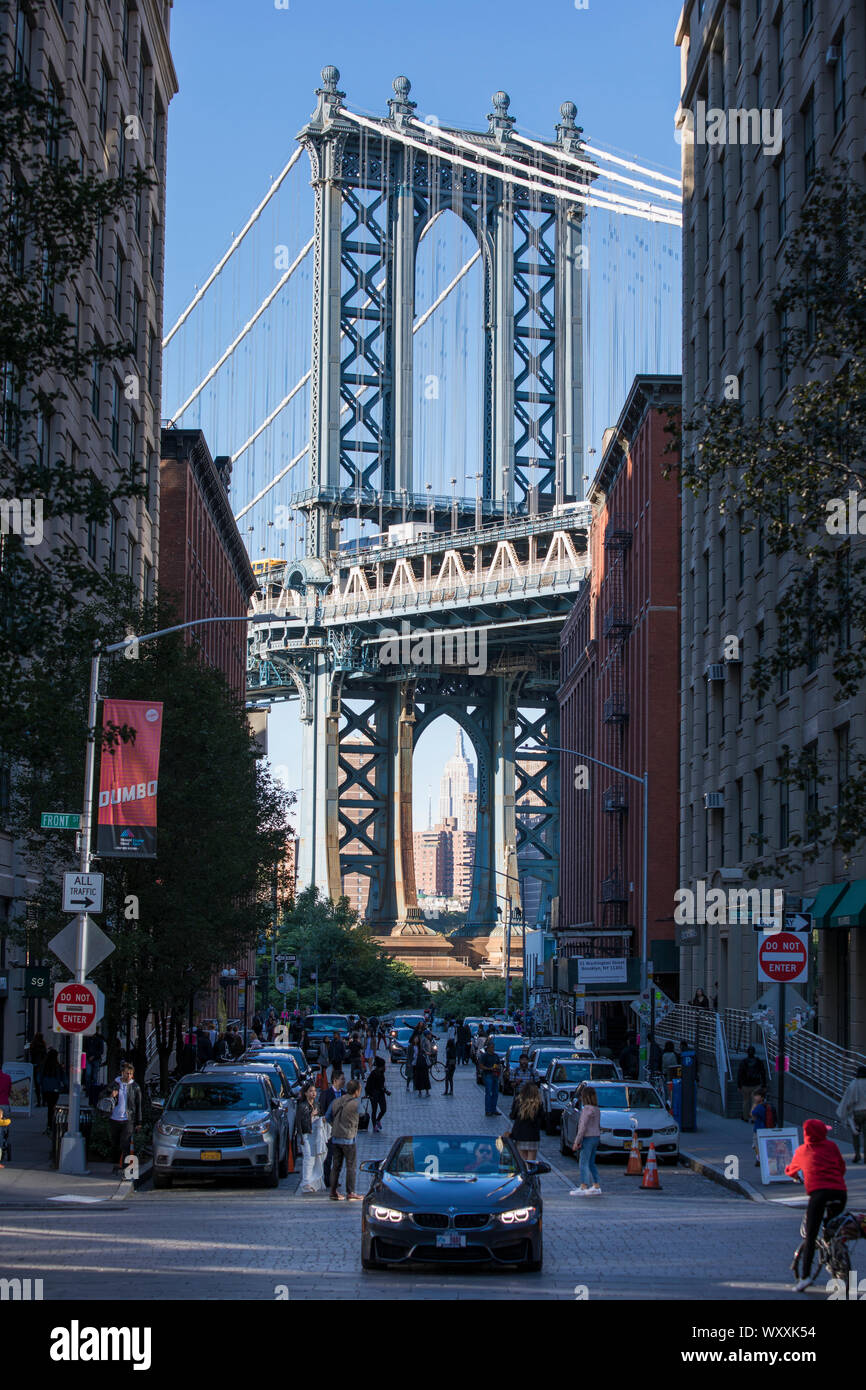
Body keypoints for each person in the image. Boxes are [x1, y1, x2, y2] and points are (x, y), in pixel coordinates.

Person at [786, 1119, 848, 1291]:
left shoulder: (802, 1151)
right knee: (831, 1225)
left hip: (819, 1194)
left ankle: (805, 1278)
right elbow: (841, 1168)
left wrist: (795, 1175)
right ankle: (837, 1250)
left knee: (811, 1236)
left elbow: (791, 1170)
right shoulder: (832, 1146)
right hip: (839, 1193)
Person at [326, 1078, 363, 1202]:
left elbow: (327, 1116)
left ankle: (333, 1191)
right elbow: (363, 1115)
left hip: (336, 1137)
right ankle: (350, 1192)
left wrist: (335, 1125)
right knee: (351, 1165)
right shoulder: (356, 1103)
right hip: (348, 1138)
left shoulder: (336, 1101)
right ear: (356, 1091)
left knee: (336, 1166)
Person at [103, 1062, 142, 1174]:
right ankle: (116, 1163)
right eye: (126, 1073)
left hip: (128, 1119)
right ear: (122, 1073)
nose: (128, 1076)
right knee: (115, 1142)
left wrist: (139, 1122)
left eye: (130, 1074)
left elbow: (138, 1105)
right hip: (114, 1118)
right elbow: (103, 1095)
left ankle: (125, 1167)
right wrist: (111, 1094)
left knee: (125, 1143)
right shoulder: (115, 1084)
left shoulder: (135, 1087)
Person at [570, 1084, 602, 1196]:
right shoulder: (597, 1109)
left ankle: (583, 1185)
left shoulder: (586, 1109)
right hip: (596, 1136)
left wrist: (576, 1141)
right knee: (591, 1162)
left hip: (587, 1137)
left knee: (583, 1162)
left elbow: (582, 1127)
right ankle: (596, 1185)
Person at [296, 1083, 324, 1192]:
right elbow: (299, 1122)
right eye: (311, 1091)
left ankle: (313, 1180)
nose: (313, 1093)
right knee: (308, 1158)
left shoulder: (316, 1105)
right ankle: (306, 1182)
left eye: (315, 1091)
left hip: (316, 1134)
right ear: (306, 1093)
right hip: (306, 1134)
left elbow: (321, 1117)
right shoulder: (302, 1106)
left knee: (314, 1158)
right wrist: (311, 1115)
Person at [506, 1082, 544, 1163]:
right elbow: (542, 1119)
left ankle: (524, 1174)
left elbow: (512, 1116)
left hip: (519, 1135)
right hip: (533, 1135)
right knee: (531, 1161)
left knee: (522, 1161)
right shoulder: (538, 1104)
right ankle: (530, 1173)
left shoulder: (518, 1102)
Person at [319, 1069, 345, 1185]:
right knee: (328, 1156)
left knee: (338, 1157)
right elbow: (322, 1111)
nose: (344, 1081)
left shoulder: (345, 1095)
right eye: (342, 1079)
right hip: (329, 1130)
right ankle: (327, 1179)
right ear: (335, 1080)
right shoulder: (326, 1094)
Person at [836, 1066, 866, 1163]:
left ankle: (857, 1154)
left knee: (855, 1134)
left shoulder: (854, 1084)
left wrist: (847, 1111)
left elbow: (848, 1100)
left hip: (857, 1113)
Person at [737, 1045, 768, 1122]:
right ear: (754, 1052)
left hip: (745, 1084)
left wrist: (739, 1085)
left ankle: (745, 1117)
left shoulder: (743, 1062)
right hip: (756, 1084)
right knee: (755, 1102)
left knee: (745, 1101)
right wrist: (764, 1084)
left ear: (747, 1052)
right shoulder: (758, 1061)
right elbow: (763, 1073)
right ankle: (754, 1118)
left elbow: (740, 1074)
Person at [40, 1049, 66, 1134]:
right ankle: (51, 1124)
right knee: (53, 1106)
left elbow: (39, 1077)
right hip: (55, 1088)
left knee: (49, 1107)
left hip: (46, 1088)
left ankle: (49, 1125)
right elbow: (62, 1078)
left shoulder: (44, 1065)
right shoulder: (57, 1066)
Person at [365, 1056, 390, 1132]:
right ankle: (374, 1126)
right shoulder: (373, 1074)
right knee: (374, 1110)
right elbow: (368, 1085)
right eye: (384, 1066)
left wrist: (385, 1091)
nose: (385, 1067)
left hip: (381, 1094)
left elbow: (381, 1085)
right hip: (374, 1094)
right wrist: (368, 1094)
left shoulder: (382, 1073)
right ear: (380, 1067)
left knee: (383, 1109)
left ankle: (378, 1120)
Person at [478, 1038, 501, 1117]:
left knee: (495, 1093)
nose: (493, 1049)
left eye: (493, 1047)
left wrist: (497, 1068)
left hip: (495, 1075)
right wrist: (489, 1068)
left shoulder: (495, 1056)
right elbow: (481, 1066)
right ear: (488, 1048)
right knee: (488, 1093)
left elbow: (499, 1064)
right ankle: (488, 1110)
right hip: (488, 1075)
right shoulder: (484, 1056)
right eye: (491, 1047)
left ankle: (493, 1109)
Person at [749, 1090, 773, 1165]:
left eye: (756, 1096)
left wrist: (754, 1105)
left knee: (756, 1144)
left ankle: (759, 1159)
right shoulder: (765, 1105)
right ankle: (760, 1158)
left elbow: (752, 1114)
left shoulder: (759, 1106)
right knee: (762, 1144)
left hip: (759, 1129)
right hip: (764, 1127)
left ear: (762, 1097)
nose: (754, 1097)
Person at [28, 1032, 48, 1106]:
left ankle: (39, 1101)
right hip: (42, 1067)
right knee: (43, 1084)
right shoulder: (43, 1046)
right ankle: (44, 1101)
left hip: (35, 1066)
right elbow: (45, 1057)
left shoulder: (33, 1046)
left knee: (37, 1085)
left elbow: (31, 1056)